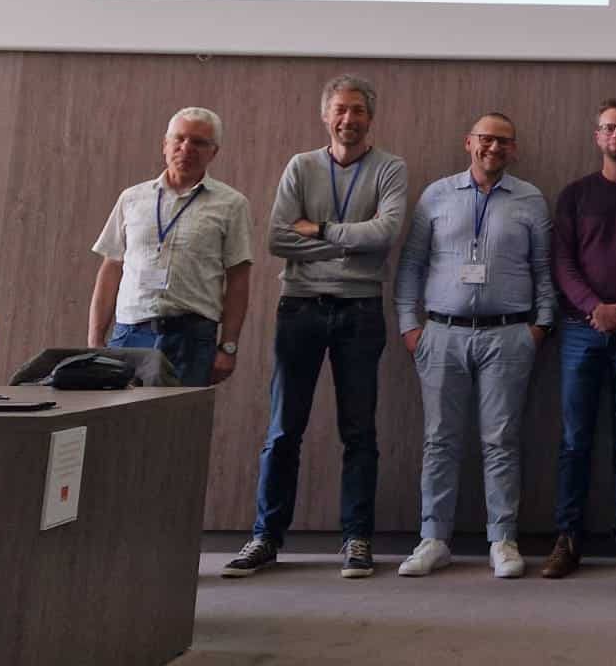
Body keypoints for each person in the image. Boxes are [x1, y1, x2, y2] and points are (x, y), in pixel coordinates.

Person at [224, 75, 408, 581]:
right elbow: (279, 240)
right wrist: (352, 241)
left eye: (358, 111)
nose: (349, 119)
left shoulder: (390, 168)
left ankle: (357, 538)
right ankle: (266, 537)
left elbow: (386, 232)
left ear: (371, 118)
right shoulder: (301, 166)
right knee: (284, 430)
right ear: (326, 116)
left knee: (359, 431)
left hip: (361, 311)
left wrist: (321, 230)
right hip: (300, 307)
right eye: (340, 110)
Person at [393, 112, 555, 580]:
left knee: (501, 441)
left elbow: (544, 269)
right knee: (439, 440)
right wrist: (411, 326)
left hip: (509, 336)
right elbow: (411, 265)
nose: (494, 148)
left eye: (504, 141)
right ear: (469, 142)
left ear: (514, 149)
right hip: (441, 334)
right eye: (486, 139)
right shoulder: (436, 196)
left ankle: (502, 539)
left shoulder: (530, 199)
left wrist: (539, 327)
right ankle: (434, 538)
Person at [541, 100, 616, 580]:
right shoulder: (574, 196)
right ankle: (567, 537)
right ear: (597, 136)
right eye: (608, 128)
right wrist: (595, 308)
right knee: (574, 440)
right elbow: (562, 263)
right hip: (579, 332)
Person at [88, 107, 252, 387]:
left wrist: (228, 346)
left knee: (180, 426)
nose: (186, 148)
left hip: (191, 337)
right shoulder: (132, 198)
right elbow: (111, 267)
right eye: (179, 139)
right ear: (165, 145)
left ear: (214, 152)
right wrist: (95, 339)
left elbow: (238, 279)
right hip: (130, 334)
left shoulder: (232, 204)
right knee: (122, 424)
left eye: (199, 142)